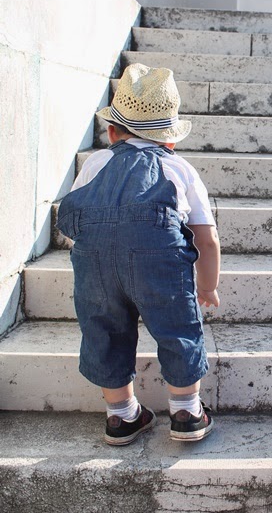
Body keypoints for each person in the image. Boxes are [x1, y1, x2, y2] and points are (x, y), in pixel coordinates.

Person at [56, 63, 220, 446]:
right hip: (159, 262)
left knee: (104, 330)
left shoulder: (96, 162)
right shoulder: (178, 167)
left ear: (112, 132)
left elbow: (74, 213)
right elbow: (207, 238)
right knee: (177, 328)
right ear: (170, 139)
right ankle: (186, 411)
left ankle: (122, 416)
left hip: (94, 262)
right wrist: (207, 286)